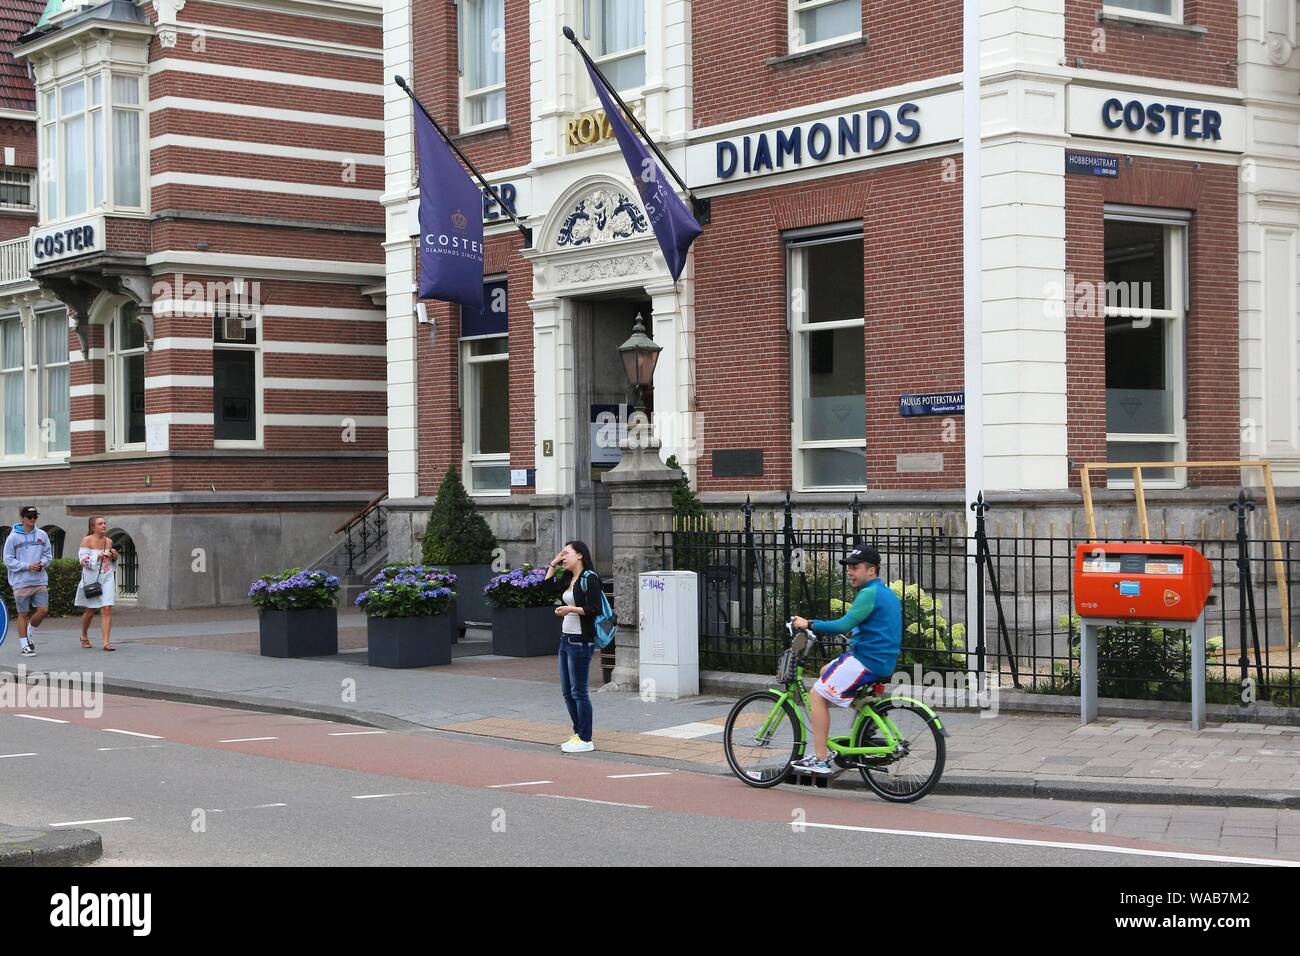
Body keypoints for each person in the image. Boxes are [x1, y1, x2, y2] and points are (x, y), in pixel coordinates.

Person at [790, 543, 902, 776]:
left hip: (866, 660)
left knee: (817, 695)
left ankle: (820, 759)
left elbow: (843, 624)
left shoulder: (868, 593)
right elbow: (877, 626)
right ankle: (866, 721)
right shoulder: (885, 593)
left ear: (872, 570)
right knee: (824, 671)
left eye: (855, 567)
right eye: (849, 567)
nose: (850, 571)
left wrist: (809, 623)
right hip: (882, 659)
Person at [541, 540, 603, 754]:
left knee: (579, 691)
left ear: (580, 555)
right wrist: (553, 564)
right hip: (566, 640)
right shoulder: (569, 578)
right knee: (567, 691)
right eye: (562, 554)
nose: (563, 557)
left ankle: (586, 738)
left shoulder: (590, 579)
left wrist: (570, 610)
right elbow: (546, 588)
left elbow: (593, 609)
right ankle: (579, 733)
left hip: (580, 641)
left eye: (566, 553)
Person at [3, 506, 53, 658]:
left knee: (43, 610)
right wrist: (26, 566)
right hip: (21, 582)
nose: (32, 519)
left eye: (35, 517)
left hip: (39, 580)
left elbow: (48, 555)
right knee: (23, 614)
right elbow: (7, 560)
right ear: (22, 518)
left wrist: (42, 564)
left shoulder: (42, 535)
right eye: (29, 516)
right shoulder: (13, 538)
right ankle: (24, 645)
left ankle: (29, 632)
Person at [76, 515, 119, 652]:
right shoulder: (86, 540)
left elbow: (112, 561)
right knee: (90, 610)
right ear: (93, 527)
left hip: (107, 576)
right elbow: (82, 560)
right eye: (100, 524)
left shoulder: (109, 541)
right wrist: (98, 555)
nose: (104, 525)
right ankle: (83, 634)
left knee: (107, 607)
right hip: (91, 578)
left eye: (105, 523)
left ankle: (106, 642)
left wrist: (113, 555)